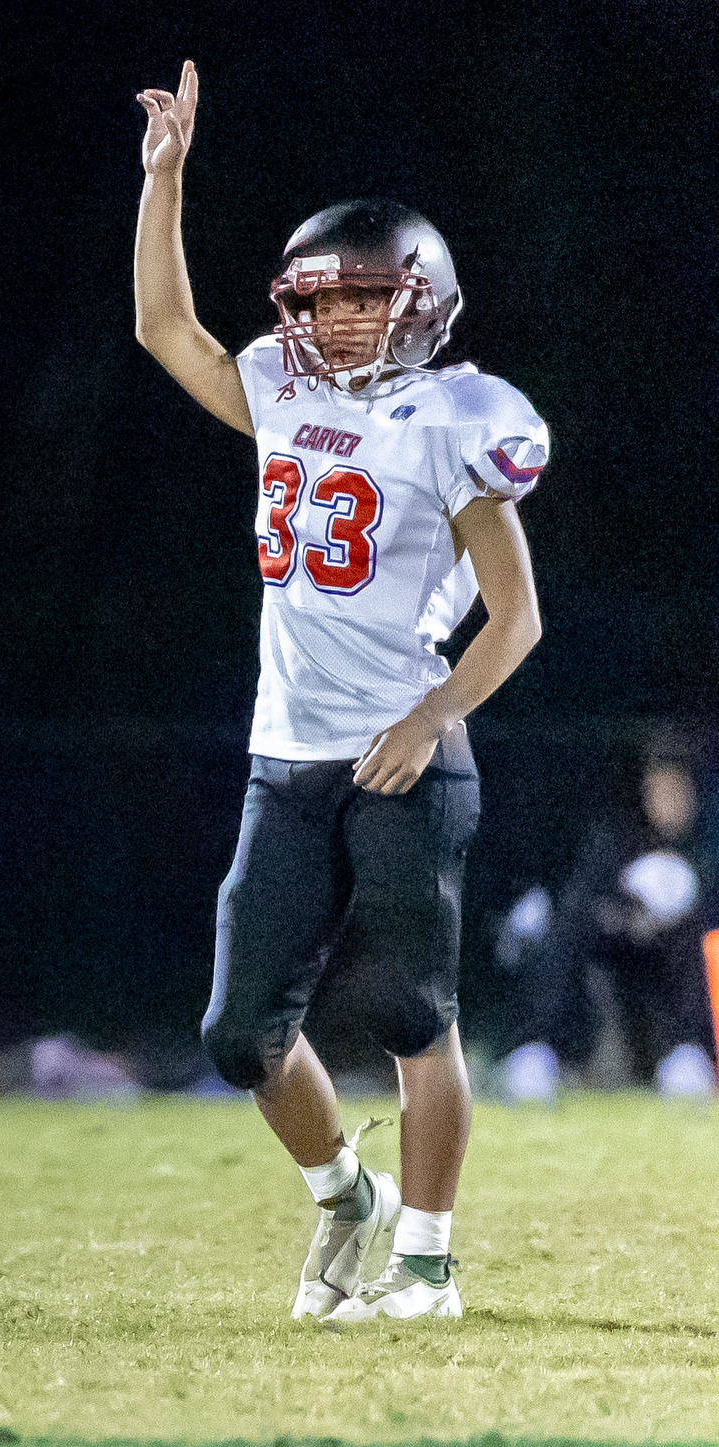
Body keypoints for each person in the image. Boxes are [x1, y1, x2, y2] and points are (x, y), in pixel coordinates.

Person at [133, 62, 548, 1325]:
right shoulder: (278, 385)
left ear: (417, 307)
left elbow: (517, 614)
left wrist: (429, 719)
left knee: (407, 1010)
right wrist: (165, 180)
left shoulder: (447, 419)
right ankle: (343, 1196)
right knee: (235, 1034)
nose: (337, 324)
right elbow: (166, 331)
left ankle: (425, 1262)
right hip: (285, 751)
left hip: (403, 755)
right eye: (321, 302)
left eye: (366, 302)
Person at [495, 739, 717, 1102]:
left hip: (673, 963)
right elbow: (585, 902)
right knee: (563, 930)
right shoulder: (616, 837)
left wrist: (682, 906)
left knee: (692, 936)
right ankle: (536, 1050)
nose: (671, 798)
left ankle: (689, 1056)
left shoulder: (706, 840)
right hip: (614, 949)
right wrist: (629, 914)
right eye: (662, 787)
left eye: (679, 789)